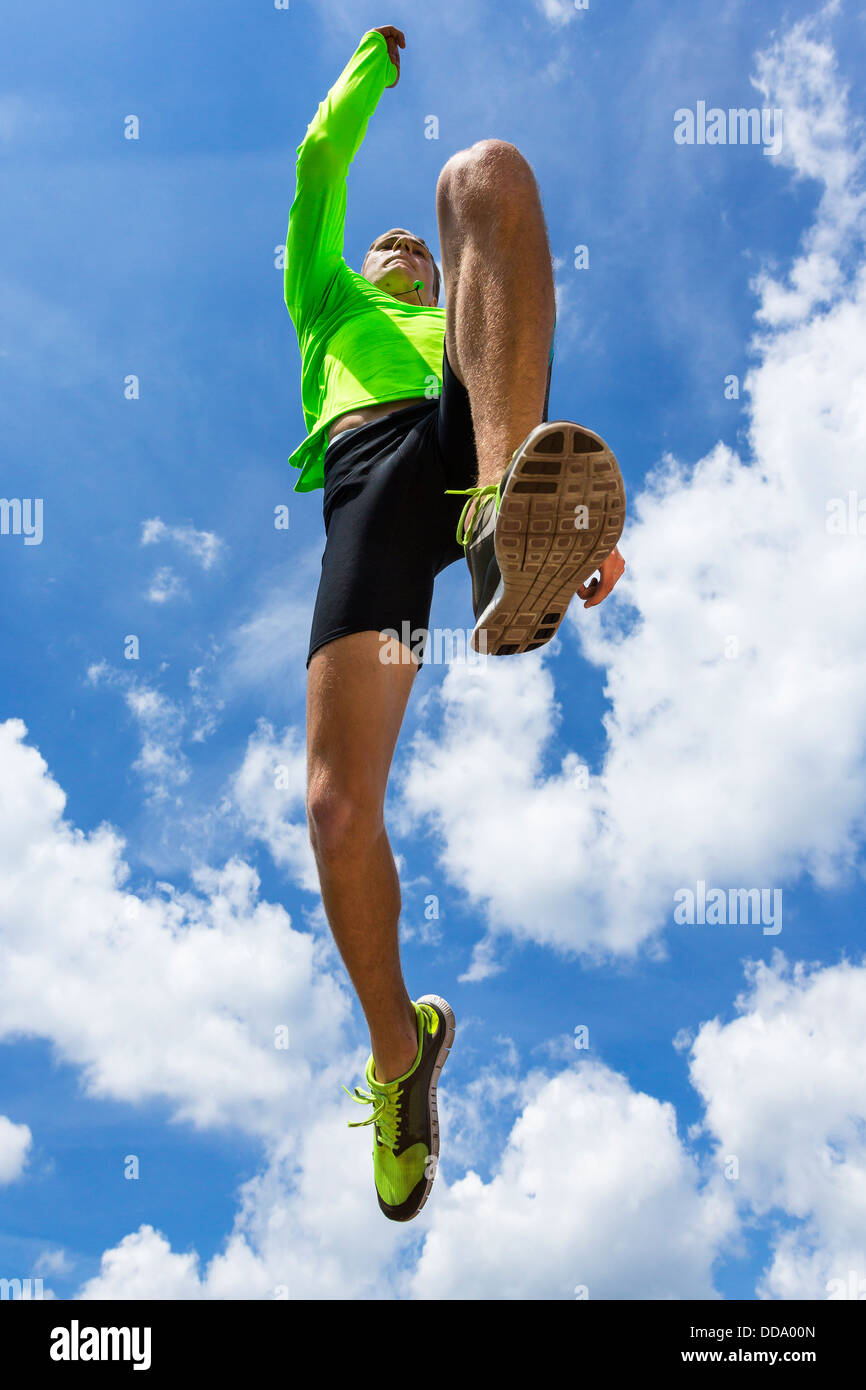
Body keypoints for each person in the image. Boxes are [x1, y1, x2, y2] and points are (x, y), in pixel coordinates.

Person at [283, 25, 626, 1222]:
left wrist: (563, 513)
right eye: (386, 251)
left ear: (438, 286)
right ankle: (398, 1053)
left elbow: (499, 325)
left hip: (461, 434)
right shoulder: (323, 301)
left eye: (416, 257)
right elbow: (318, 169)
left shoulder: (451, 324)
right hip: (369, 500)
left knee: (480, 173)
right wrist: (369, 69)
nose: (399, 252)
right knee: (334, 811)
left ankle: (502, 523)